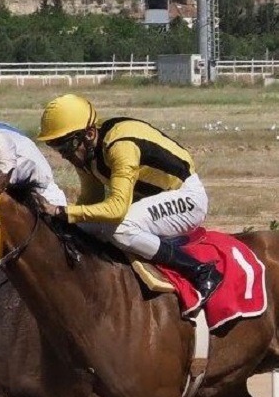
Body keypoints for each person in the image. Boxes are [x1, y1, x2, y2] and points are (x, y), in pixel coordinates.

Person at [35, 93, 223, 308]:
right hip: (152, 200)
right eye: (57, 148)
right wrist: (66, 222)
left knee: (121, 228)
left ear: (88, 134)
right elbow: (91, 199)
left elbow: (116, 208)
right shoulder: (87, 153)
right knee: (82, 228)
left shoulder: (120, 146)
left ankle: (200, 270)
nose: (64, 155)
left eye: (66, 147)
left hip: (186, 198)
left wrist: (62, 212)